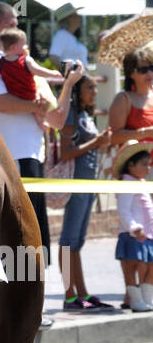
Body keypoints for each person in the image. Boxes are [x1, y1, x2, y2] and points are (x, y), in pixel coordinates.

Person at [0, 58, 83, 267]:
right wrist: (35, 105)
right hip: (4, 157)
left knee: (33, 233)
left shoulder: (39, 81)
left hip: (31, 157)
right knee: (11, 230)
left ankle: (32, 278)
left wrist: (69, 84)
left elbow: (57, 120)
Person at [58, 74, 115, 312]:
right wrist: (96, 142)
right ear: (78, 91)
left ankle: (81, 292)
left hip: (88, 184)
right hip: (76, 184)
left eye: (95, 87)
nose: (94, 92)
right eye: (89, 88)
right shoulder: (71, 113)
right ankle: (69, 295)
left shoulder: (86, 115)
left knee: (77, 242)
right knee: (67, 242)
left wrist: (102, 143)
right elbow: (65, 152)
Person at [0, 27, 63, 109]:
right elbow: (38, 70)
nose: (27, 47)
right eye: (24, 44)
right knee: (39, 108)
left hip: (12, 95)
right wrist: (52, 73)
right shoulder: (25, 59)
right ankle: (42, 122)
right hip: (29, 94)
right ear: (13, 47)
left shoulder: (0, 62)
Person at [112, 140, 153, 312]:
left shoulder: (142, 183)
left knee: (149, 267)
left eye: (149, 164)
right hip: (133, 235)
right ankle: (136, 301)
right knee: (133, 268)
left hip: (148, 235)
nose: (148, 168)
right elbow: (123, 209)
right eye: (144, 164)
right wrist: (133, 227)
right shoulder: (127, 184)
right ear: (130, 165)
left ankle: (146, 298)